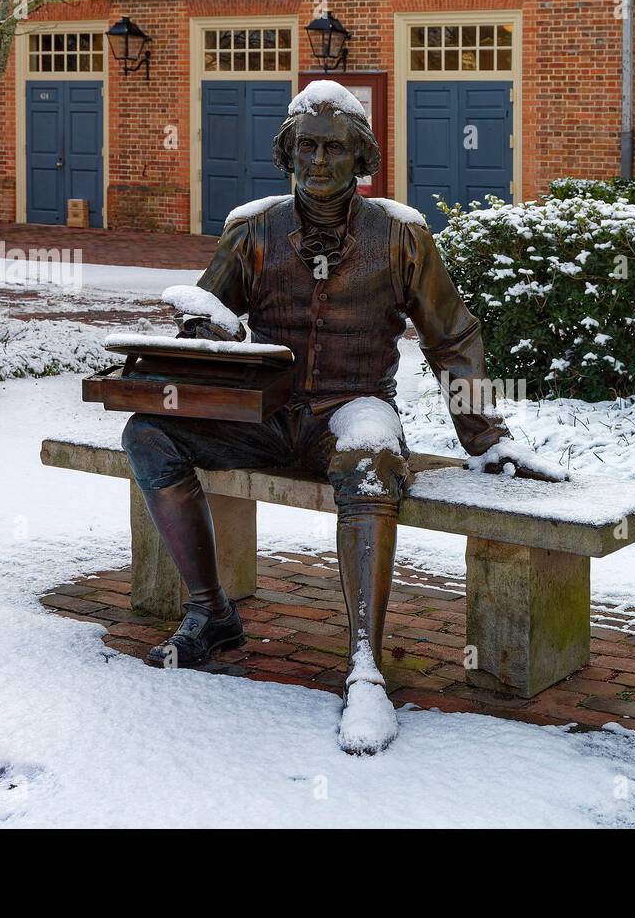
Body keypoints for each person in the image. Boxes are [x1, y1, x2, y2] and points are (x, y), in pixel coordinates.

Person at [121, 80, 565, 753]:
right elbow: (203, 324)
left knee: (369, 462)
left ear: (362, 159)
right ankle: (211, 613)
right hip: (267, 418)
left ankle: (365, 668)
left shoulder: (402, 235)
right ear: (287, 154)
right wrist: (206, 333)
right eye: (307, 147)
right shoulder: (252, 230)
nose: (319, 161)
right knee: (148, 434)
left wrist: (487, 436)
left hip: (355, 409)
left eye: (334, 149)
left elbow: (452, 339)